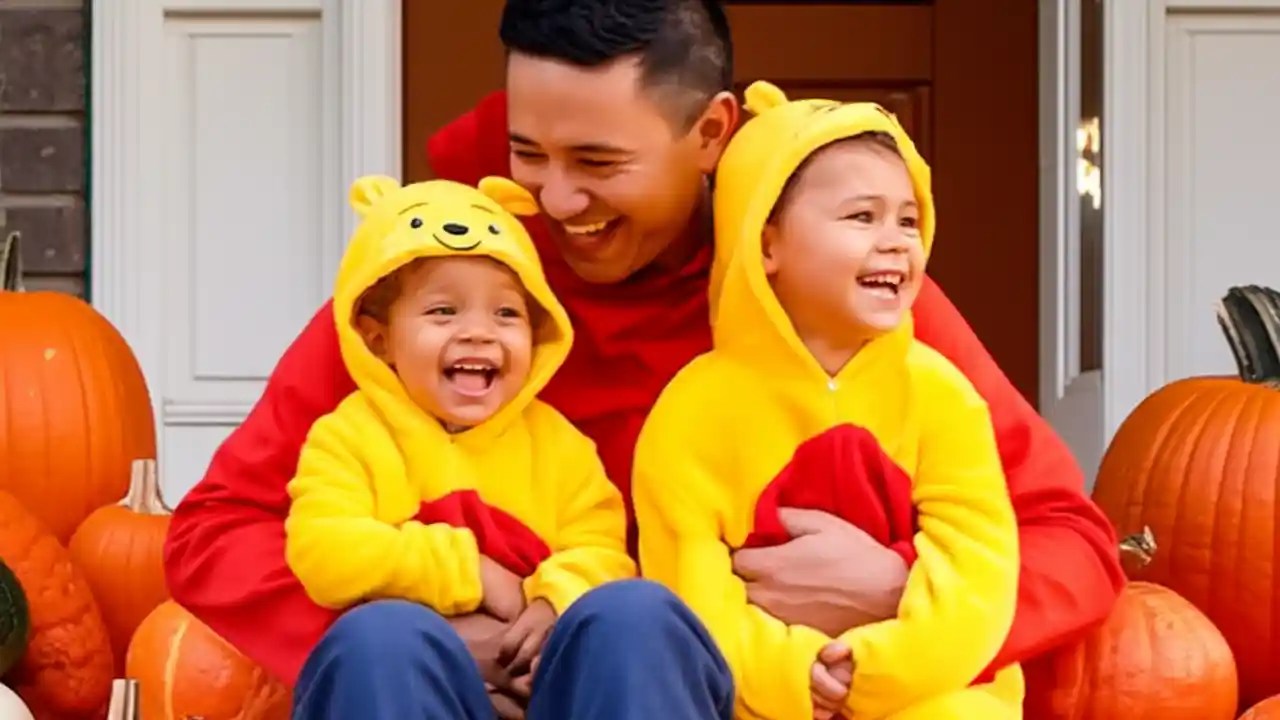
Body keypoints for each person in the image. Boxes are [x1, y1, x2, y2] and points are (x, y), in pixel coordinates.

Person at [163, 0, 1125, 717]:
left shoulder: (813, 278)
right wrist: (430, 637)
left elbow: (1066, 539)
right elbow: (221, 527)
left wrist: (905, 591)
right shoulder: (451, 272)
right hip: (450, 692)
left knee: (634, 625)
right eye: (529, 152)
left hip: (716, 687)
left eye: (599, 161)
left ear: (710, 134)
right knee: (381, 644)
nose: (557, 198)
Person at [634, 81, 1023, 720]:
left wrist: (874, 670)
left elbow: (977, 573)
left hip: (924, 695)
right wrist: (793, 677)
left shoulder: (943, 395)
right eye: (861, 216)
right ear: (767, 243)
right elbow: (690, 587)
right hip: (760, 701)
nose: (896, 240)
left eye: (909, 219)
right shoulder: (694, 410)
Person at [282, 173, 636, 715]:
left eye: (507, 313)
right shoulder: (349, 436)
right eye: (443, 311)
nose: (479, 332)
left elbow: (603, 549)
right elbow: (324, 551)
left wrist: (555, 599)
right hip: (404, 689)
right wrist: (471, 572)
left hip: (540, 689)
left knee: (631, 614)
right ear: (379, 340)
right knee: (381, 641)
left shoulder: (559, 445)